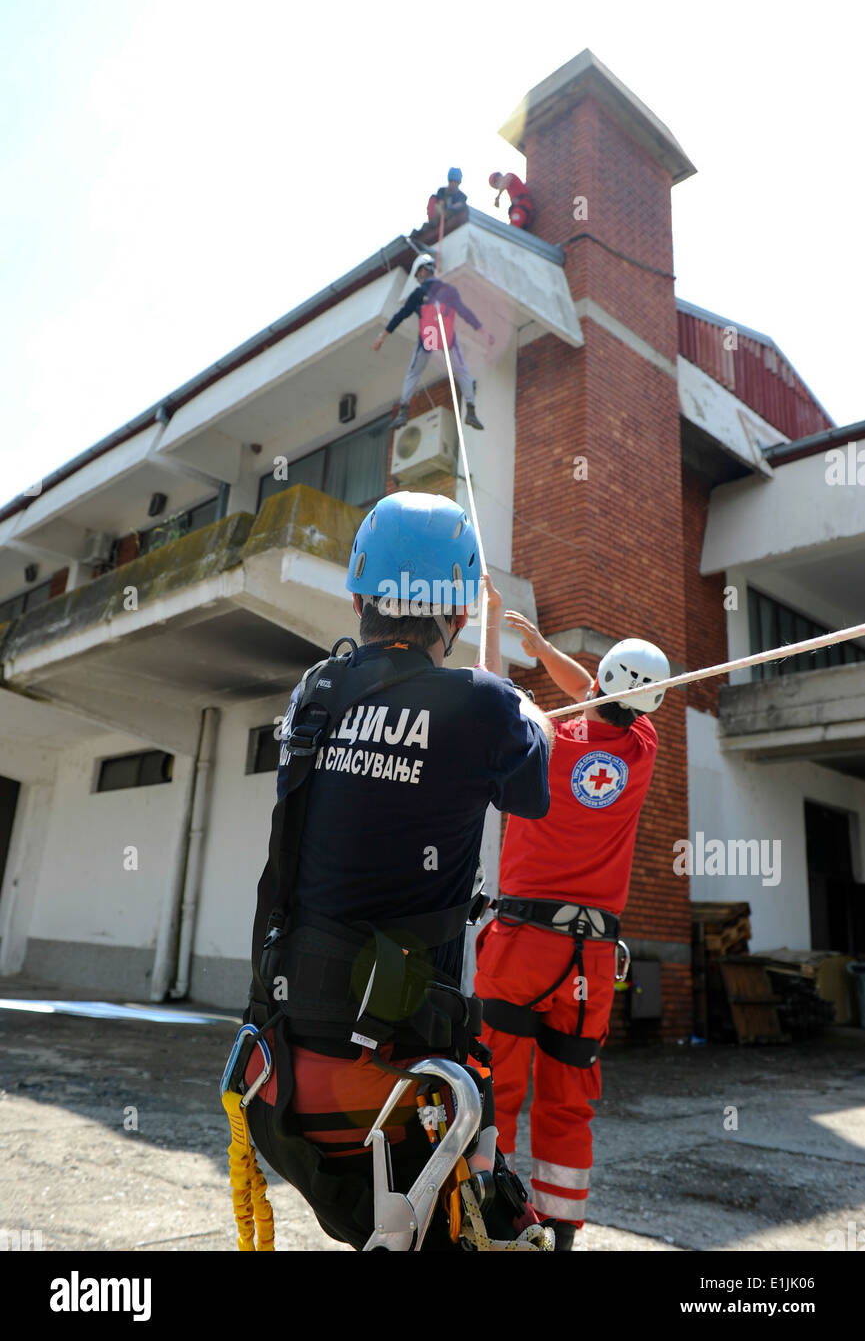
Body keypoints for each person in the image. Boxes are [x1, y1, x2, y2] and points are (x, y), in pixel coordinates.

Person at [241, 492, 556, 1251]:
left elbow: (449, 724)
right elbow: (531, 787)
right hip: (397, 1083)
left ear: (356, 596)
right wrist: (531, 712)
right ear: (455, 615)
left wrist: (496, 695)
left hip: (282, 1070)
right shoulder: (487, 707)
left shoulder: (314, 693)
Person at [473, 606, 669, 1251]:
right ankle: (559, 1228)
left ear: (601, 685)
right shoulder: (642, 750)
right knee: (569, 1093)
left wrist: (514, 648)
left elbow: (502, 699)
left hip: (525, 944)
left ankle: (486, 1207)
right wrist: (547, 648)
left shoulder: (546, 740)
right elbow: (605, 696)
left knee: (495, 1079)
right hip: (590, 959)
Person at [373, 253, 494, 431]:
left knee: (413, 373)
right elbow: (465, 313)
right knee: (462, 371)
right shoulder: (449, 291)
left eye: (418, 275)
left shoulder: (417, 294)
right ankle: (471, 410)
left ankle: (403, 412)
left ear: (422, 271)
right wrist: (484, 332)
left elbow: (400, 315)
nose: (418, 279)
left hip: (427, 339)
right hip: (447, 339)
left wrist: (382, 336)